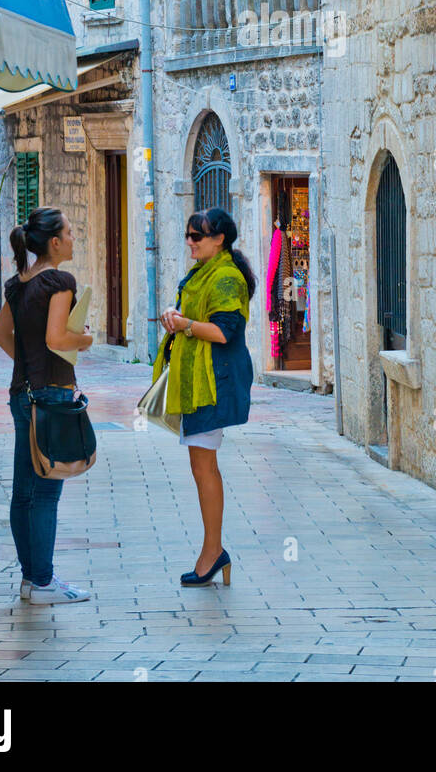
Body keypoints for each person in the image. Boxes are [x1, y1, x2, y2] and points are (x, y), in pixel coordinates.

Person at [0, 206, 93, 605]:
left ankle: (31, 579)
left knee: (23, 493)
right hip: (50, 395)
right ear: (54, 242)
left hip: (22, 395)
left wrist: (27, 362)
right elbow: (57, 338)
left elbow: (2, 334)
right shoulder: (59, 281)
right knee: (47, 491)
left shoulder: (18, 283)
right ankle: (45, 582)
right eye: (69, 232)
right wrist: (85, 339)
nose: (73, 237)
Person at [156, 206, 255, 587]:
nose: (190, 242)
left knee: (204, 469)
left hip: (212, 383)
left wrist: (185, 325)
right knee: (202, 468)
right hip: (199, 381)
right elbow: (194, 317)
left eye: (198, 236)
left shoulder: (227, 277)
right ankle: (213, 551)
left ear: (220, 240)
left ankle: (213, 552)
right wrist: (176, 316)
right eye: (188, 234)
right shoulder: (205, 272)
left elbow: (226, 331)